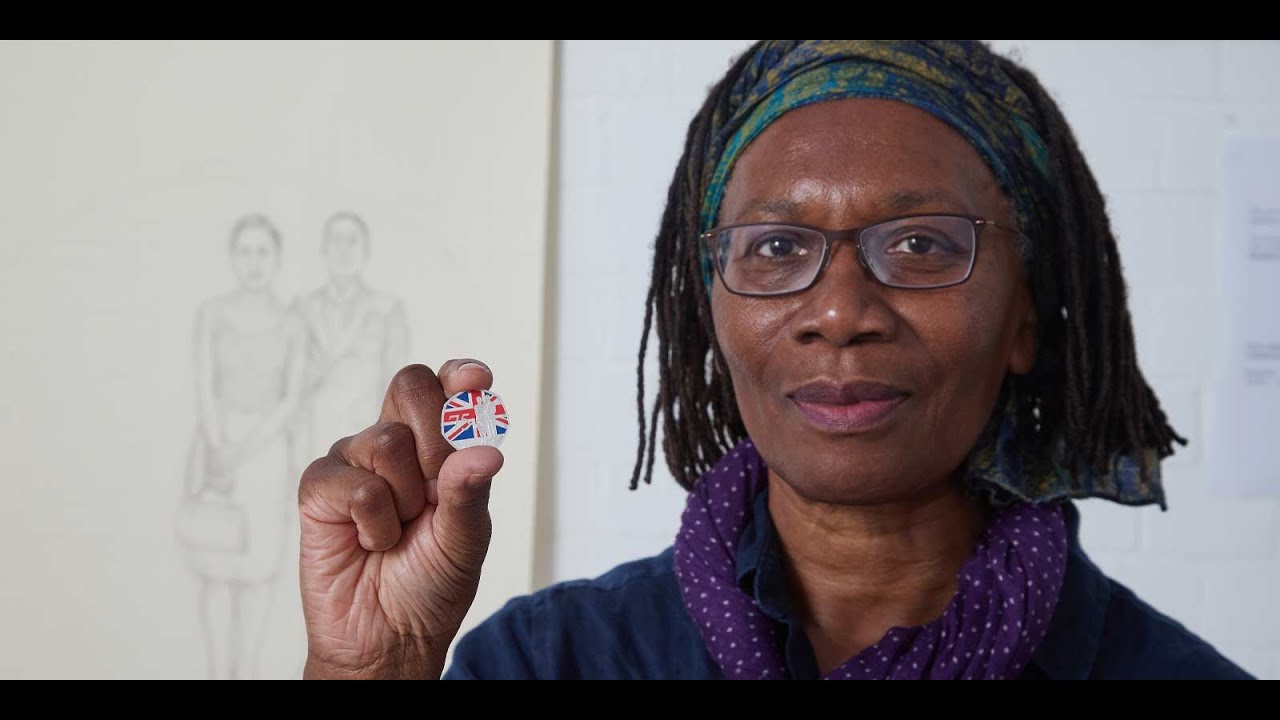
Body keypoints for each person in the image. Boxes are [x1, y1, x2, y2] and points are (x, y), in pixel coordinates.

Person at [296, 41, 1255, 680]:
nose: (839, 311)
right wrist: (365, 673)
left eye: (922, 244)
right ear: (707, 303)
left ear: (1024, 321)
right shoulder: (551, 662)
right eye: (776, 249)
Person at [180, 214, 308, 680]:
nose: (254, 262)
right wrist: (219, 445)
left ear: (275, 258)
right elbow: (203, 382)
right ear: (233, 257)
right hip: (216, 447)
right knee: (214, 565)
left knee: (257, 570)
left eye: (263, 252)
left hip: (267, 453)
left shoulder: (293, 322)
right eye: (245, 252)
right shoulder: (212, 313)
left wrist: (247, 448)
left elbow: (290, 398)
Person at [295, 212, 410, 461]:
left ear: (366, 250)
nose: (343, 250)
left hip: (364, 431)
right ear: (323, 249)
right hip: (313, 434)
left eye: (352, 242)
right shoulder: (302, 307)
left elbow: (395, 377)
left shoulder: (387, 309)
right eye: (336, 241)